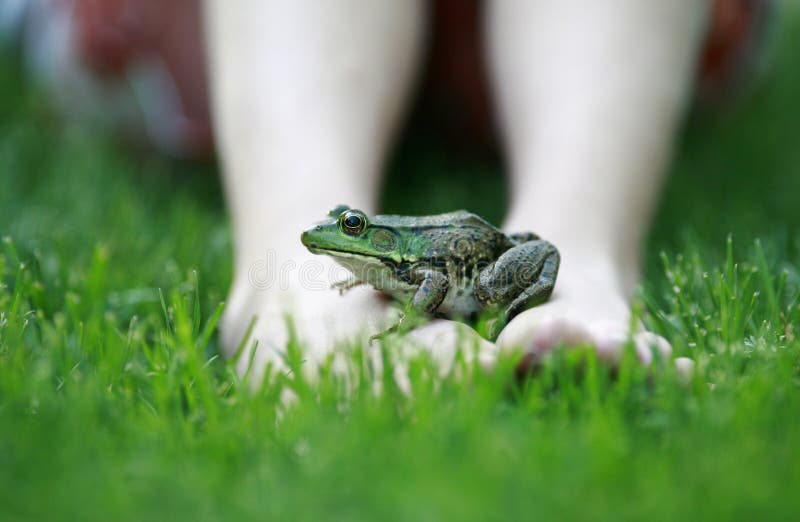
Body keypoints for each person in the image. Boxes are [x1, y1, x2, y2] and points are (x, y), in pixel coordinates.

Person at [5, 0, 771, 380]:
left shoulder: (406, 259)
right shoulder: (379, 250)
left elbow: (437, 278)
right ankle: (289, 295)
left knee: (537, 261)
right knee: (312, 268)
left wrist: (451, 300)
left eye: (347, 231)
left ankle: (577, 259)